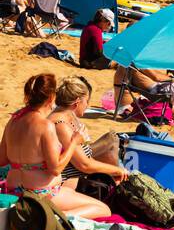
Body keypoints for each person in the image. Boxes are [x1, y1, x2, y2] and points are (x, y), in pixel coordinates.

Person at [0, 72, 110, 217]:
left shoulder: (13, 121)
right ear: (51, 97)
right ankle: (58, 218)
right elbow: (56, 168)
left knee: (70, 191)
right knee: (103, 210)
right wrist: (74, 143)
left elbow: (2, 160)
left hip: (13, 189)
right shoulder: (45, 126)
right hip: (39, 194)